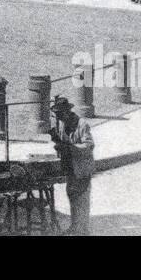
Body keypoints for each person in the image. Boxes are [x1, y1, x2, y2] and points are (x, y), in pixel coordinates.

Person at [49, 96, 94, 235]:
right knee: (73, 199)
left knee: (82, 201)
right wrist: (58, 142)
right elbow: (64, 143)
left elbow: (89, 145)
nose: (59, 118)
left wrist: (70, 147)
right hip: (70, 168)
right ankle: (75, 227)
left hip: (81, 169)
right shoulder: (63, 123)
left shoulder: (82, 124)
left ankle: (83, 231)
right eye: (56, 115)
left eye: (60, 115)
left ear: (67, 112)